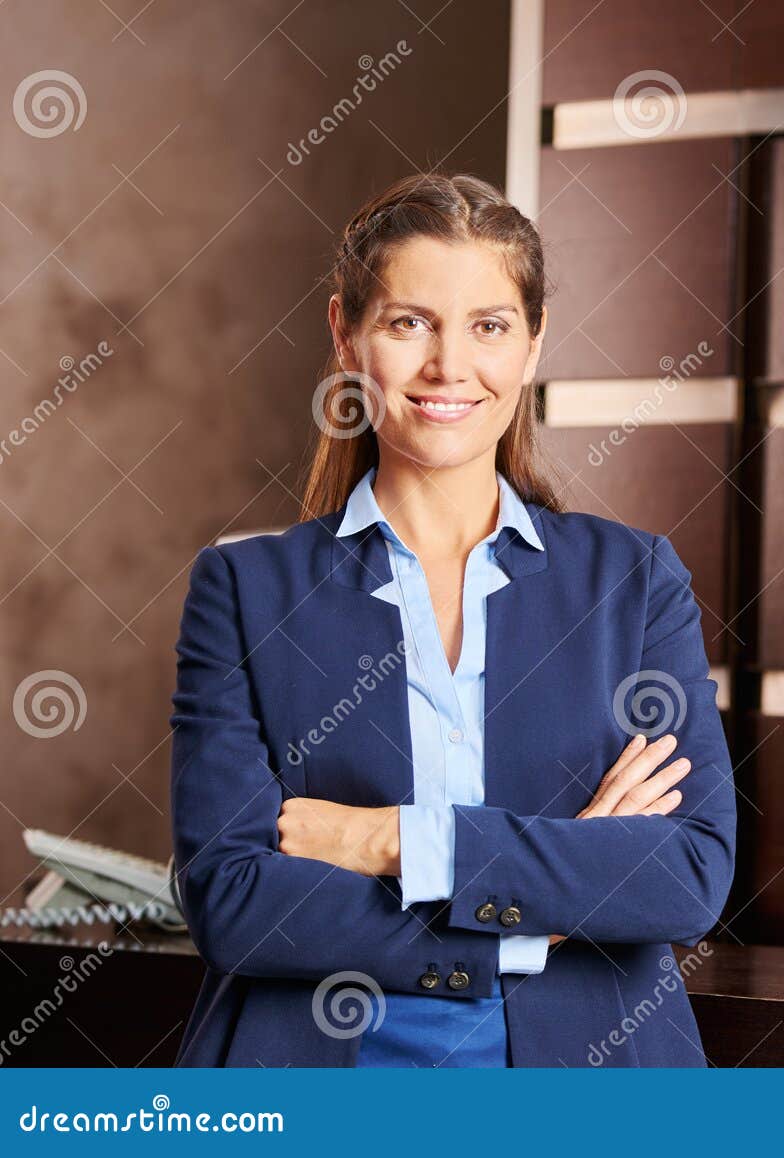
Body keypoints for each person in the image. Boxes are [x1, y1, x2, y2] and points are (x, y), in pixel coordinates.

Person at [169, 173, 735, 1066]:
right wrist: (529, 912)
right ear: (347, 336)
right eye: (408, 323)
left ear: (533, 344)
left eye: (490, 326)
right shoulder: (247, 590)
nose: (448, 367)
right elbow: (234, 901)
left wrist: (391, 840)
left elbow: (685, 873)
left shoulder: (631, 582)